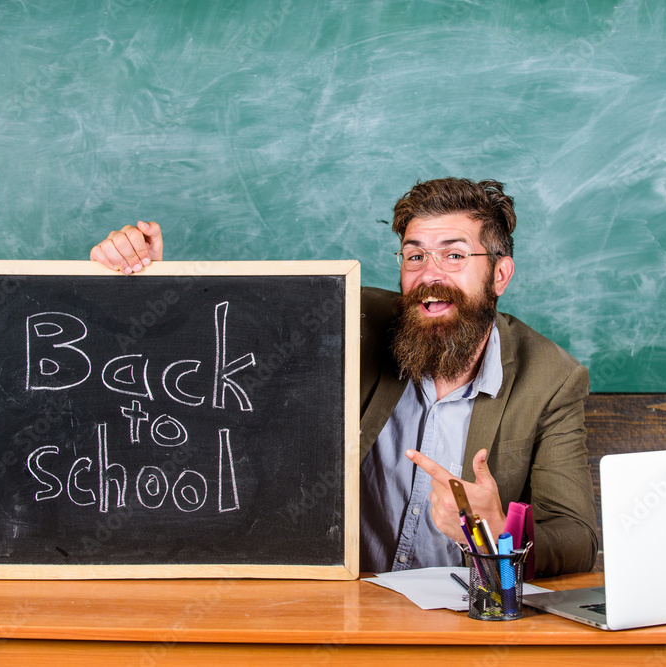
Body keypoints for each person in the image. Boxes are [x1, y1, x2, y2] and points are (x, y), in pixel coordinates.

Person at [90, 177, 598, 577]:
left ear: (500, 275)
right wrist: (147, 283)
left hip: (460, 621)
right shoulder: (346, 316)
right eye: (415, 255)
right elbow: (219, 341)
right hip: (337, 606)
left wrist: (494, 534)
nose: (430, 273)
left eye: (455, 255)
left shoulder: (551, 378)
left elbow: (576, 539)